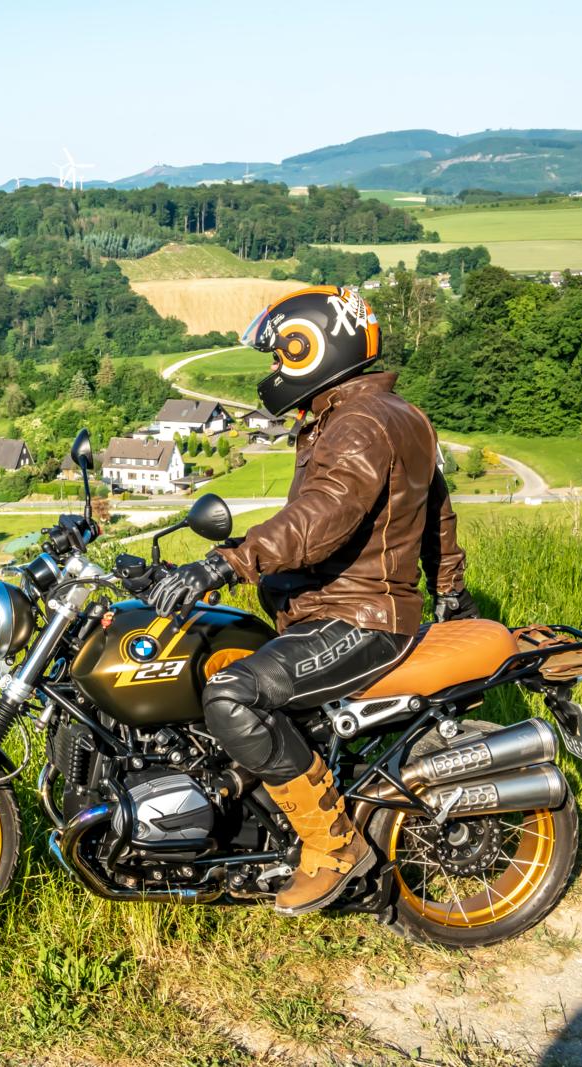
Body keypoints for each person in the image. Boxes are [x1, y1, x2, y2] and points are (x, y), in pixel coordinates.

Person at [145, 285, 479, 916]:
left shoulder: (358, 426)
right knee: (211, 658)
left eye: (279, 357)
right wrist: (451, 590)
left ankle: (332, 845)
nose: (274, 370)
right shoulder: (393, 415)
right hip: (346, 610)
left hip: (357, 617)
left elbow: (321, 518)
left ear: (315, 351)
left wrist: (228, 562)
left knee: (231, 694)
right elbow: (437, 515)